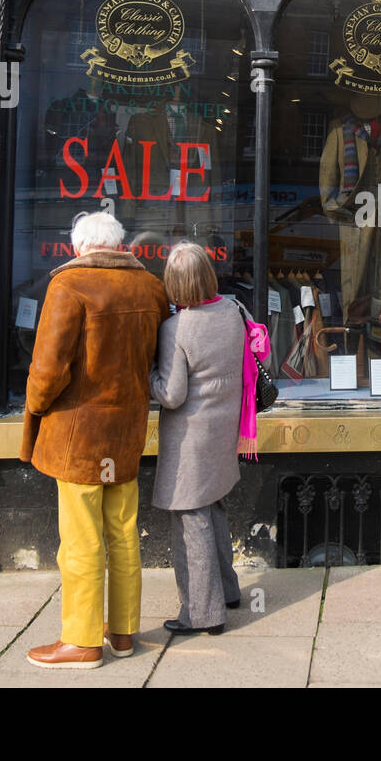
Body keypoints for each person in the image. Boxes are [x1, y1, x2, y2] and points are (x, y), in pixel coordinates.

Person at [20, 211, 168, 669]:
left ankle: (81, 640)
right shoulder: (151, 287)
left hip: (78, 434)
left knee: (81, 539)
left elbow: (47, 370)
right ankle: (123, 633)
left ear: (78, 247)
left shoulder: (68, 286)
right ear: (119, 245)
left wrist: (37, 407)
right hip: (125, 430)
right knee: (123, 533)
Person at [149, 242, 246, 635]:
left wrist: (148, 376)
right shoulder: (235, 310)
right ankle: (227, 590)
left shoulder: (176, 329)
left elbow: (172, 394)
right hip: (225, 428)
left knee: (192, 517)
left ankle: (203, 614)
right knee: (213, 506)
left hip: (191, 437)